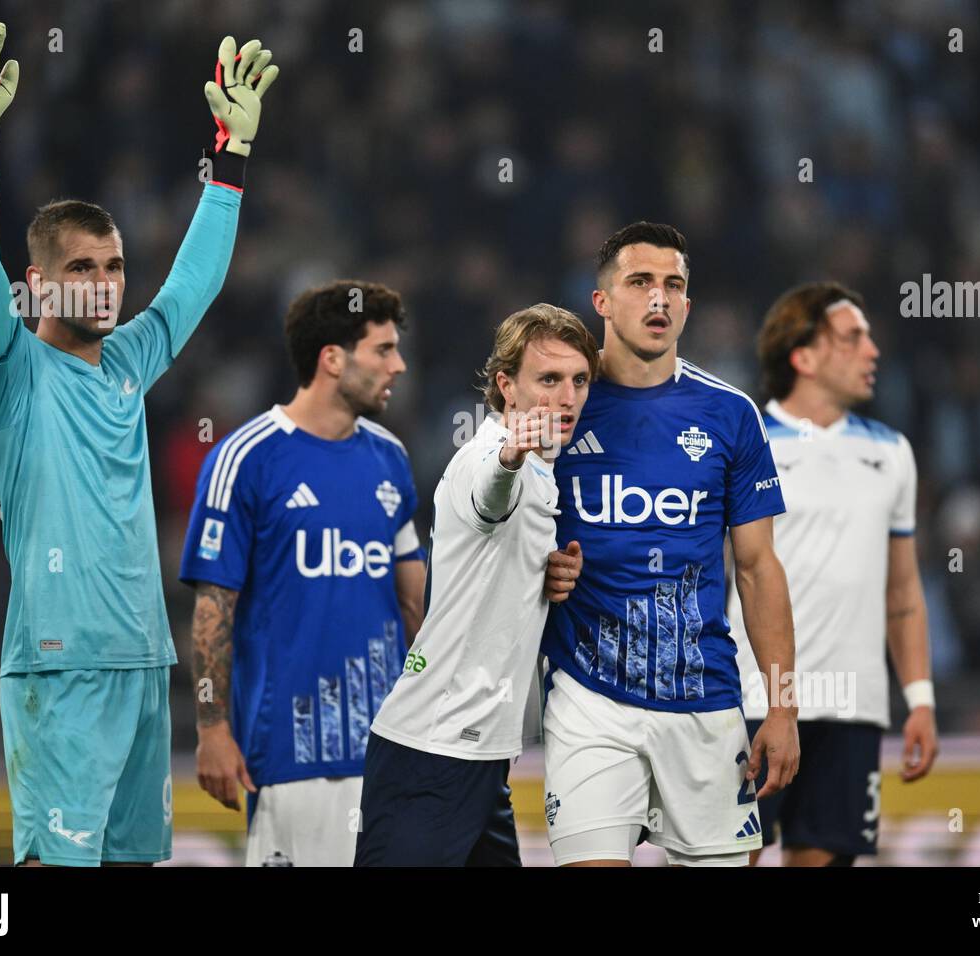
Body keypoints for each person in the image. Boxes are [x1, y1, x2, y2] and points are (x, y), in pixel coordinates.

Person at [0, 22, 277, 865]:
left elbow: (194, 283)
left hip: (141, 660)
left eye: (113, 266)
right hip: (58, 670)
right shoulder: (10, 372)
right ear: (39, 284)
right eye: (83, 268)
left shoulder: (129, 359)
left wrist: (230, 156)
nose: (104, 284)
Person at [539, 222, 800, 867]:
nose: (658, 299)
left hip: (705, 702)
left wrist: (784, 708)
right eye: (640, 283)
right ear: (601, 302)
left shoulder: (731, 414)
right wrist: (537, 571)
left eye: (673, 286)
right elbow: (495, 533)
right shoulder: (558, 406)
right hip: (587, 696)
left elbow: (759, 568)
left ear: (687, 305)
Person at [180, 281, 426, 866]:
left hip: (389, 754)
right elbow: (215, 605)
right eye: (383, 350)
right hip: (292, 755)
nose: (399, 365)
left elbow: (414, 602)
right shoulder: (246, 458)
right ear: (333, 359)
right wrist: (212, 729)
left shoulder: (390, 456)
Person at [356, 304, 599, 866]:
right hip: (432, 748)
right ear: (505, 385)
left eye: (579, 380)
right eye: (548, 380)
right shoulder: (485, 456)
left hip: (481, 754)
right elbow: (491, 496)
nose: (567, 397)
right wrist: (511, 457)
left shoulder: (542, 468)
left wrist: (548, 571)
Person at [731, 282, 939, 866]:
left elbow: (901, 592)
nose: (873, 351)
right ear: (804, 355)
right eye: (853, 338)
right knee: (721, 858)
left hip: (851, 706)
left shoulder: (891, 452)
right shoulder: (743, 442)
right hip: (751, 698)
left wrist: (919, 699)